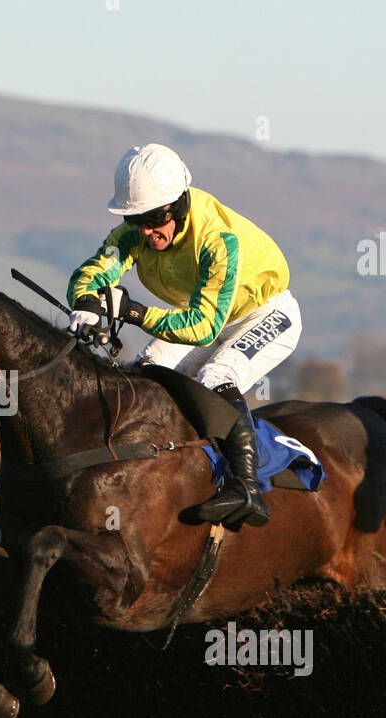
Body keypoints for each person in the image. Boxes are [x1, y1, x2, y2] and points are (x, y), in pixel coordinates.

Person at [66, 144, 302, 528]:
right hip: (206, 314)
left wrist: (133, 312)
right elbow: (92, 272)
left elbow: (203, 328)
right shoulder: (133, 234)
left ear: (178, 206)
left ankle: (246, 488)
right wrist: (88, 302)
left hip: (265, 314)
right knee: (146, 373)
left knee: (215, 377)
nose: (146, 230)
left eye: (155, 218)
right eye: (136, 218)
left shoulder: (217, 239)